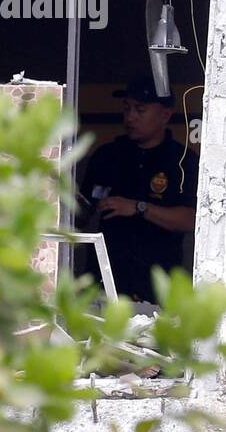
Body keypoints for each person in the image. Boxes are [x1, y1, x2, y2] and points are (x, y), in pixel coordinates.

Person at [79, 77, 198, 304]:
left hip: (156, 290)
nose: (130, 117)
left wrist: (138, 208)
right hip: (105, 285)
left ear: (165, 115)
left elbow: (193, 220)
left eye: (140, 110)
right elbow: (80, 215)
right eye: (127, 109)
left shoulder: (183, 160)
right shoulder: (107, 155)